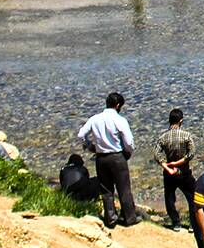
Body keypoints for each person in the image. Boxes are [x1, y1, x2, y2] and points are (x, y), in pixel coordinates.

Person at [77, 92, 141, 229]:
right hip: (117, 157)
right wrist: (128, 153)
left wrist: (90, 146)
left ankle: (111, 219)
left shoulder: (95, 119)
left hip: (101, 158)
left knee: (106, 190)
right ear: (118, 105)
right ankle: (129, 217)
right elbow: (129, 142)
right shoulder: (120, 120)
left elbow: (81, 134)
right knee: (124, 188)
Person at [154, 108, 195, 229]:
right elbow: (191, 153)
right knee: (192, 197)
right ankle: (193, 224)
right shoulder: (186, 136)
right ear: (181, 121)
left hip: (169, 172)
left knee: (169, 198)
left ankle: (176, 222)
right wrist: (180, 162)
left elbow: (156, 154)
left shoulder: (163, 137)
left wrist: (166, 166)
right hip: (184, 172)